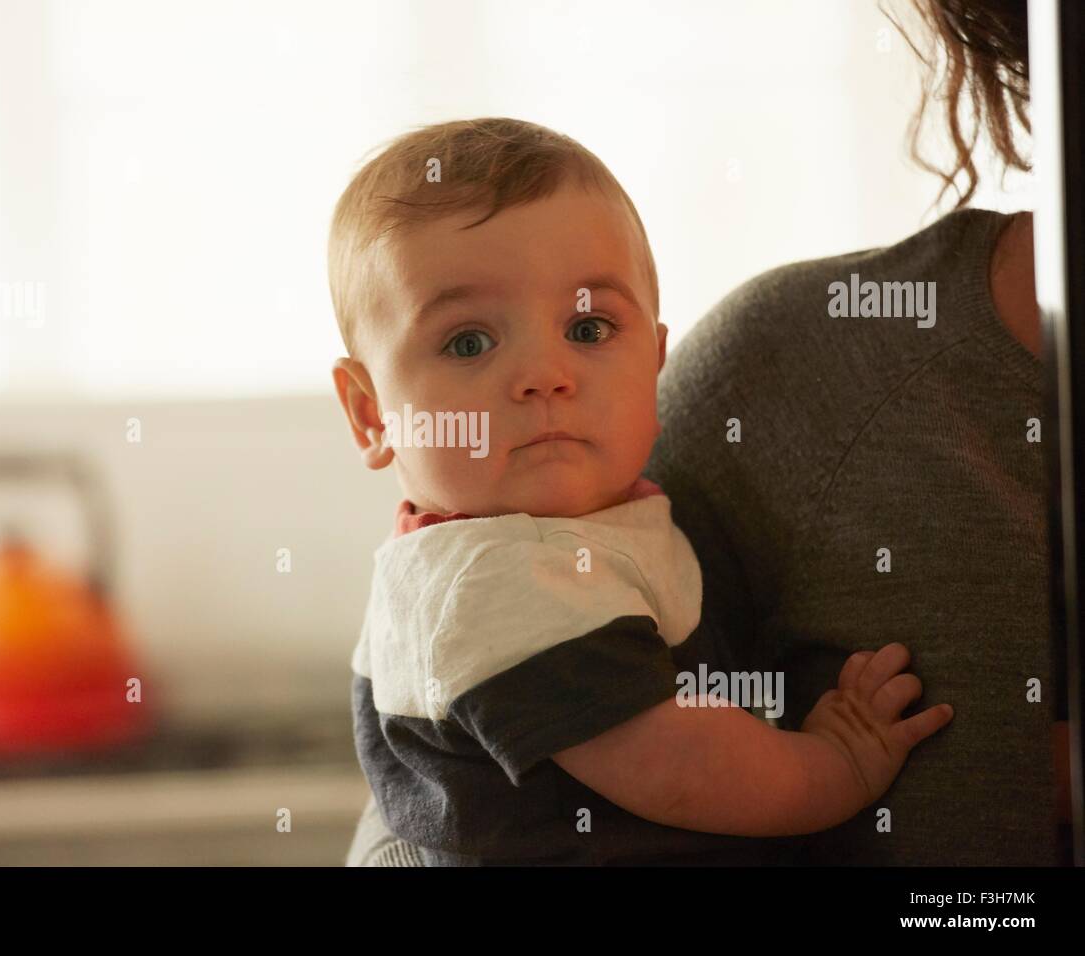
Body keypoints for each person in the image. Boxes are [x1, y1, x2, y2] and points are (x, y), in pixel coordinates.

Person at [344, 0, 1066, 866]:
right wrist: (837, 761)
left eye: (588, 330)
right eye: (467, 342)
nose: (544, 375)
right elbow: (680, 765)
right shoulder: (493, 582)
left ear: (655, 358)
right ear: (369, 414)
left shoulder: (587, 527)